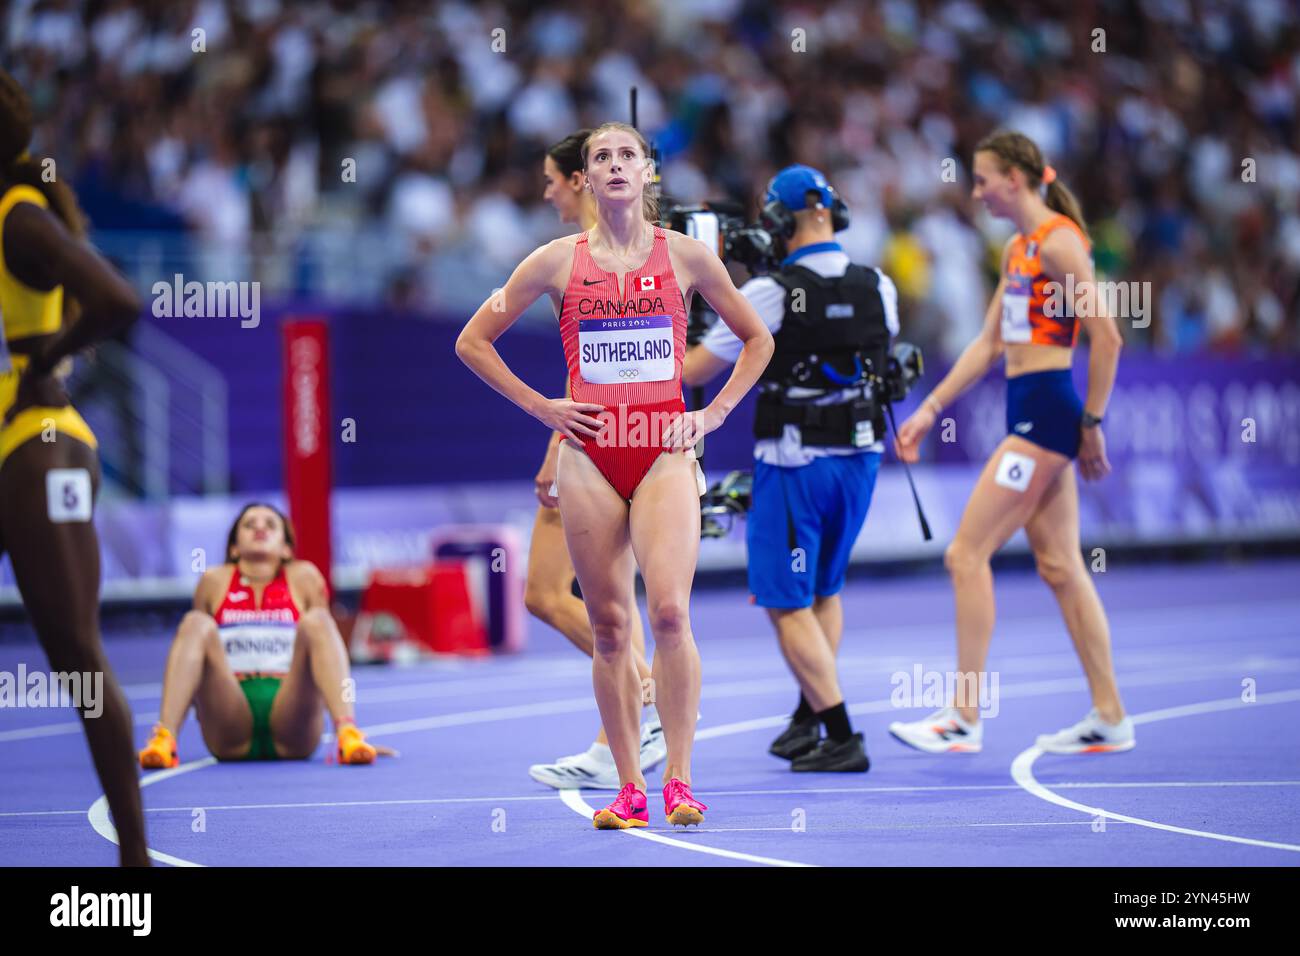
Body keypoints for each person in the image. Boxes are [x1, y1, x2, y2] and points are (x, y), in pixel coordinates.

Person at [457, 122, 773, 828]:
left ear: (647, 172)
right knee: (607, 626)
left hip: (662, 448)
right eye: (602, 157)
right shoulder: (553, 262)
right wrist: (544, 408)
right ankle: (629, 788)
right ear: (588, 180)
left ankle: (681, 781)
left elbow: (759, 339)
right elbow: (472, 341)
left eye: (628, 154)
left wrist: (713, 416)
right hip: (591, 456)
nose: (615, 165)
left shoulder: (687, 258)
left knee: (667, 613)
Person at [889, 130, 1133, 755]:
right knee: (1059, 566)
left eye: (983, 180)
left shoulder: (1058, 244)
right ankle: (1110, 714)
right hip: (1032, 412)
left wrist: (1091, 424)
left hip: (1048, 416)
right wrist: (930, 410)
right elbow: (989, 344)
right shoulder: (1018, 249)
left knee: (965, 555)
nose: (977, 192)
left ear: (1016, 180)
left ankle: (963, 716)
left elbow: (1107, 338)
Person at [684, 165, 899, 772]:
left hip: (795, 460)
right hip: (860, 457)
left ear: (777, 221)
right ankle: (809, 718)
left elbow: (695, 370)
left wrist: (681, 315)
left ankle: (840, 731)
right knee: (824, 589)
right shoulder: (878, 284)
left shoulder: (772, 292)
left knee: (785, 599)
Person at [0, 67, 149, 865]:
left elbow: (119, 302)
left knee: (76, 655)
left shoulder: (18, 218)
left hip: (39, 445)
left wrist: (44, 361)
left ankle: (133, 865)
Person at [525, 130, 666, 790]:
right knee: (595, 601)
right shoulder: (566, 257)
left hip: (631, 442)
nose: (547, 189)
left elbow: (642, 359)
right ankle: (633, 723)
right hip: (588, 437)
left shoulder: (649, 249)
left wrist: (557, 438)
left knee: (557, 595)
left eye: (554, 178)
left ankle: (643, 710)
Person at [138, 503, 391, 766]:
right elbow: (192, 658)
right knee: (195, 623)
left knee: (318, 621)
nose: (259, 528)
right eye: (249, 525)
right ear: (234, 548)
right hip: (230, 716)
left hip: (292, 713)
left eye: (270, 524)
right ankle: (164, 738)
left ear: (286, 548)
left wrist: (341, 716)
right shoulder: (213, 581)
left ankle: (348, 733)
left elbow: (326, 653)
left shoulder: (304, 578)